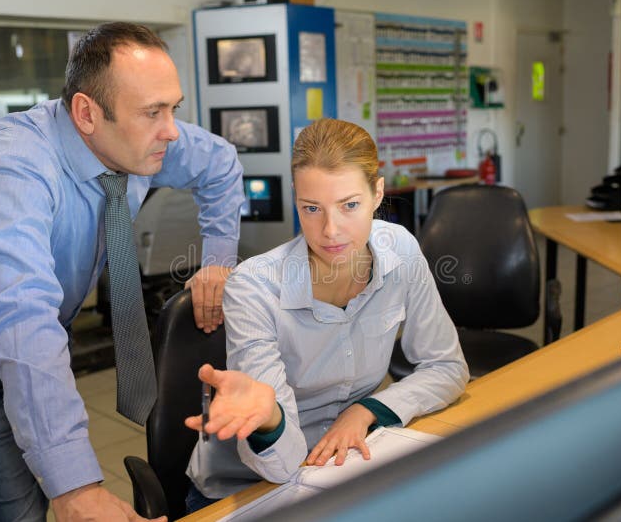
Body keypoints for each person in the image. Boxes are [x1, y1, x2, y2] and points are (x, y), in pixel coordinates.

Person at [0, 22, 244, 521]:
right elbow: (21, 317)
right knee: (20, 513)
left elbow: (220, 164)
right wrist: (75, 488)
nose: (172, 130)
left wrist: (220, 263)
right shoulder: (16, 167)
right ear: (87, 114)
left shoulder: (142, 140)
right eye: (153, 112)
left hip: (48, 338)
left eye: (174, 108)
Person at [183, 118, 469, 512]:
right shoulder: (254, 287)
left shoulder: (399, 249)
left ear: (377, 194)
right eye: (311, 208)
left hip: (343, 464)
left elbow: (448, 367)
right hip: (249, 486)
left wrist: (366, 410)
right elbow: (281, 466)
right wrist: (268, 418)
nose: (331, 230)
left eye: (349, 205)